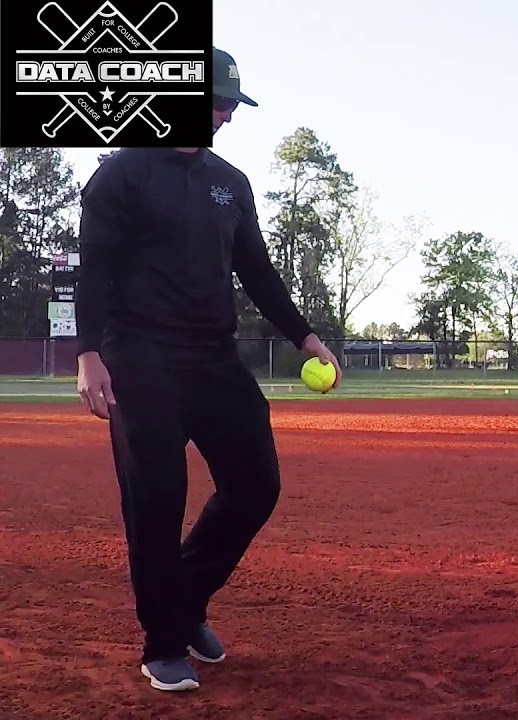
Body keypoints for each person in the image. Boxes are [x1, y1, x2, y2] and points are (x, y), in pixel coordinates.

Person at [74, 47, 341, 692]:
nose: (223, 117)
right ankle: (163, 642)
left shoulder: (231, 183)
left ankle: (185, 599)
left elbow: (256, 270)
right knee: (157, 501)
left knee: (256, 485)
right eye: (215, 104)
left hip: (212, 355)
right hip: (139, 356)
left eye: (228, 107)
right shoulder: (121, 174)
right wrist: (88, 355)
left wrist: (303, 334)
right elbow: (95, 269)